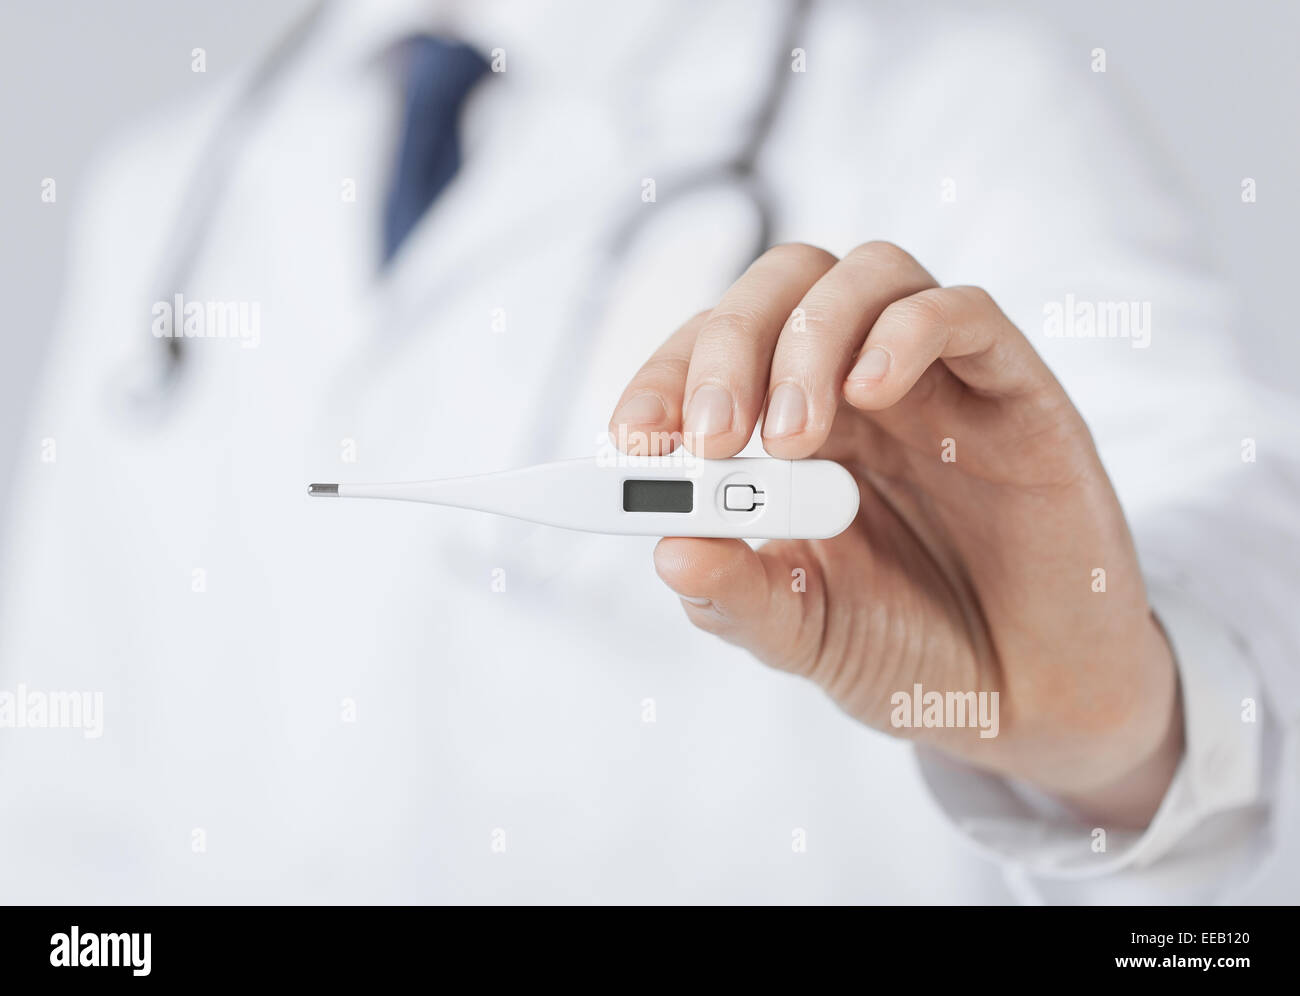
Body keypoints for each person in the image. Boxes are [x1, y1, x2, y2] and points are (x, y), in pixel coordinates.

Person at [0, 0, 1295, 904]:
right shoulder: (169, 190)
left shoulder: (959, 105)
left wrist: (1119, 723)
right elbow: (61, 799)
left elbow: (1236, 519)